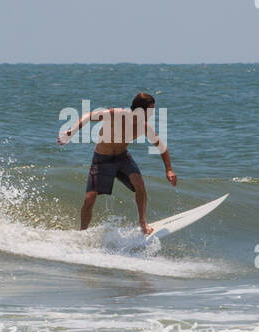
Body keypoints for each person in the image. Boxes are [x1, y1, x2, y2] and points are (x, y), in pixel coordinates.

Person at [57, 92, 177, 233]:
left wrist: (169, 169)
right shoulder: (116, 114)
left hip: (122, 158)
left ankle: (143, 223)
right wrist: (71, 132)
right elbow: (89, 116)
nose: (152, 112)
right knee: (90, 198)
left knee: (140, 185)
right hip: (101, 159)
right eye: (151, 109)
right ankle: (83, 232)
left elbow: (161, 147)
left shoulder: (143, 126)